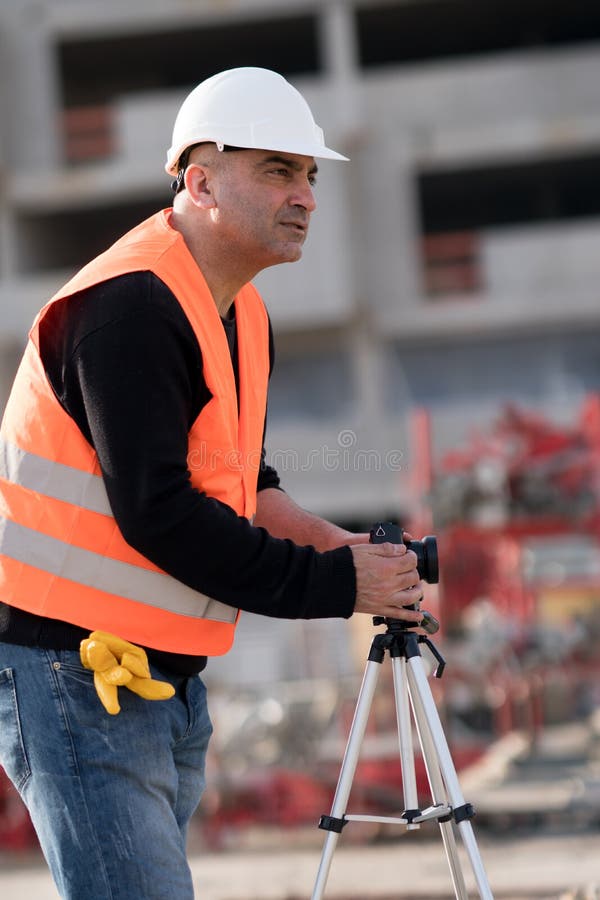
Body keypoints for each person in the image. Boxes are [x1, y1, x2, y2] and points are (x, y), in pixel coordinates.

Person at [0, 67, 423, 899]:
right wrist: (338, 585)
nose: (306, 196)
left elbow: (243, 486)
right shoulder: (128, 309)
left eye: (309, 174)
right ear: (199, 182)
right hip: (71, 671)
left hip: (156, 679)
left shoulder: (239, 311)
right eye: (277, 170)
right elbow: (160, 514)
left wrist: (346, 551)